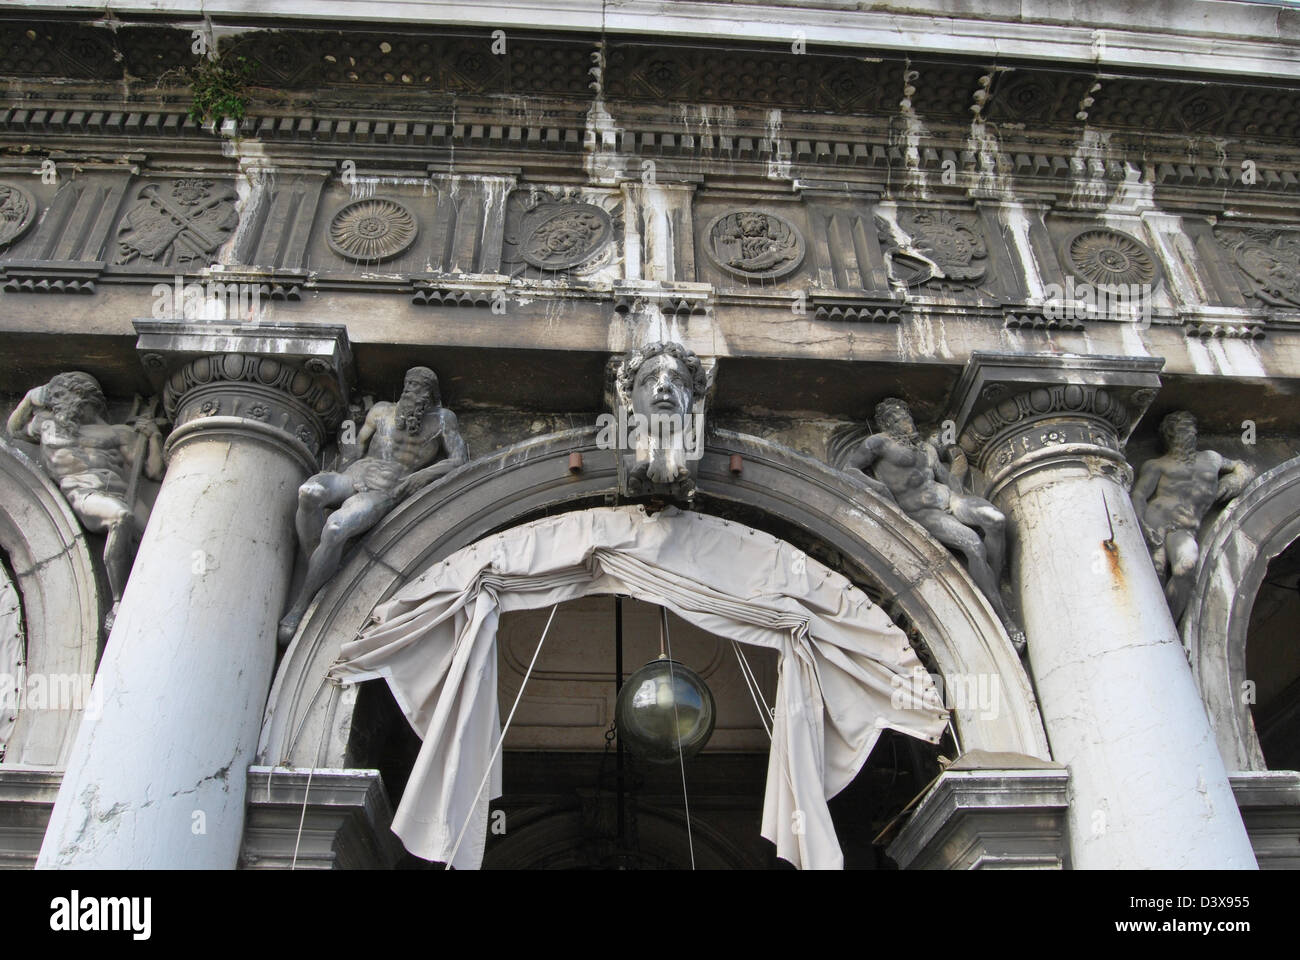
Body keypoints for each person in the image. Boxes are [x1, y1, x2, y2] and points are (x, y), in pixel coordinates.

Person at [277, 367, 467, 645]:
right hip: (355, 473)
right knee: (309, 492)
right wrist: (348, 436)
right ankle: (317, 567)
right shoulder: (381, 410)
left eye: (419, 390)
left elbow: (459, 460)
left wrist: (420, 476)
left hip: (386, 489)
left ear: (430, 396)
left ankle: (300, 605)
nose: (411, 394)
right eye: (408, 387)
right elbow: (355, 443)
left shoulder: (443, 420)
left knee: (336, 527)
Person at [845, 397, 1025, 650]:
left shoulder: (926, 449)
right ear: (887, 424)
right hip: (923, 512)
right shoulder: (878, 443)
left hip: (950, 500)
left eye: (906, 416)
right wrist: (881, 491)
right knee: (973, 544)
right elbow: (849, 469)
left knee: (996, 520)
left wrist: (957, 468)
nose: (906, 421)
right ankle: (1003, 620)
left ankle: (989, 590)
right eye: (897, 418)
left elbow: (945, 479)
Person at [6, 372, 164, 631]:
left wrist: (154, 436)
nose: (66, 406)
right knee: (120, 517)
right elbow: (14, 430)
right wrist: (29, 399)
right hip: (84, 493)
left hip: (121, 492)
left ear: (89, 401)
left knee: (158, 546)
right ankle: (118, 602)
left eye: (72, 399)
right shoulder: (47, 424)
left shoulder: (118, 433)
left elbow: (154, 471)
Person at [1132, 411, 1253, 622]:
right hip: (1156, 522)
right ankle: (1157, 627)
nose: (1189, 434)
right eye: (1182, 430)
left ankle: (1170, 621)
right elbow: (1139, 495)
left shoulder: (1212, 459)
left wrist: (1237, 480)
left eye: (1191, 429)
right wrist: (1141, 524)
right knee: (1156, 573)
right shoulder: (1157, 465)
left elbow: (1241, 466)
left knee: (1186, 566)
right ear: (1169, 435)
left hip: (1185, 527)